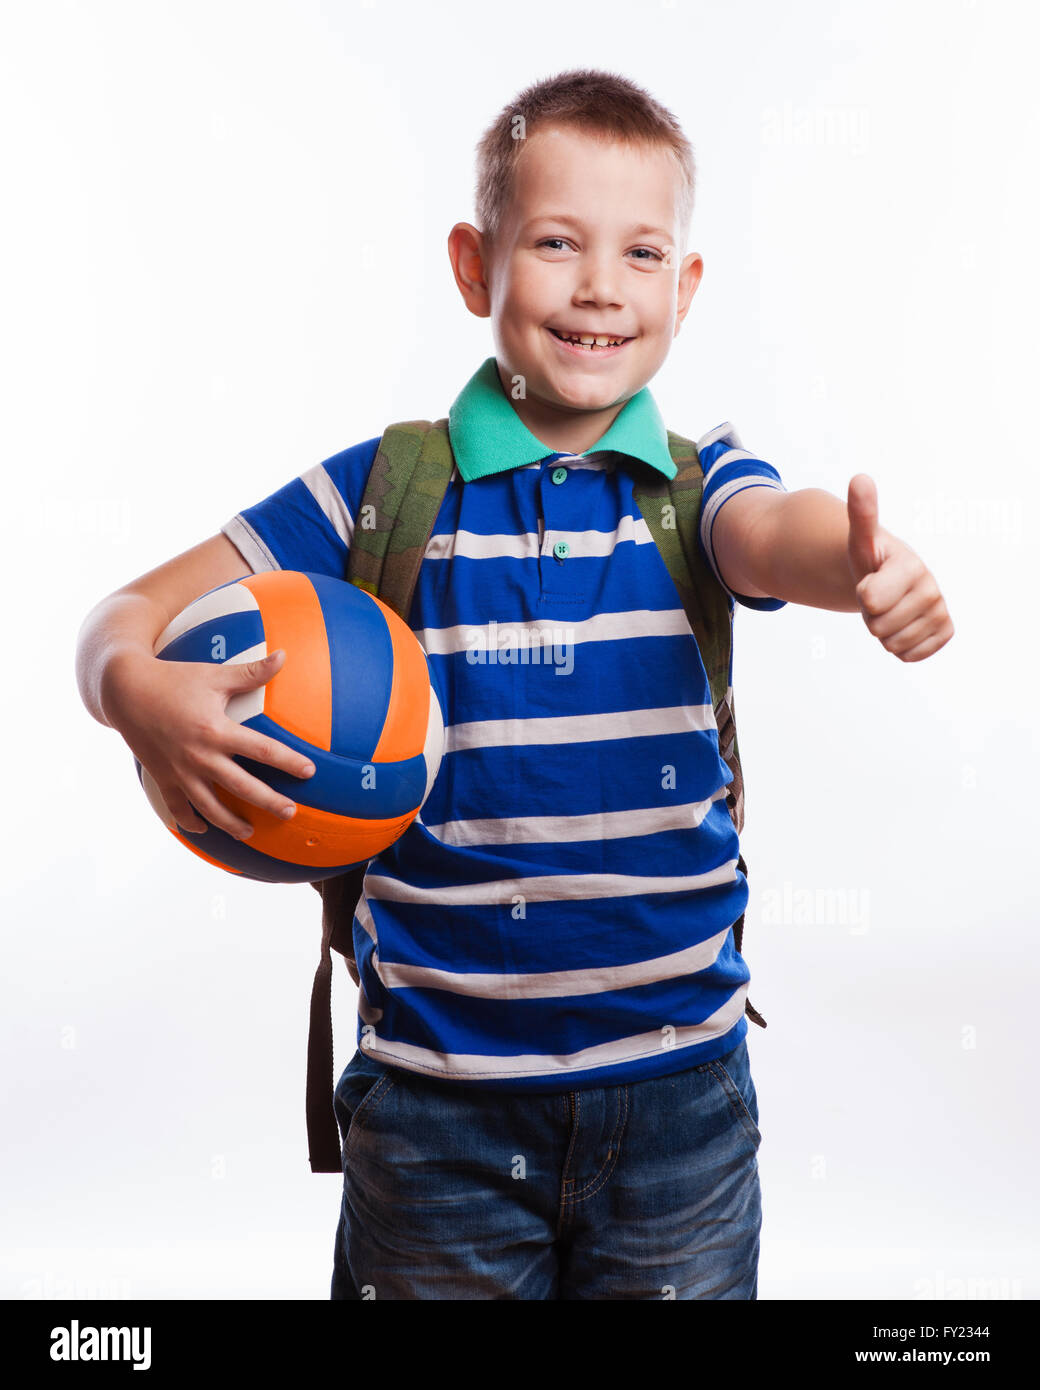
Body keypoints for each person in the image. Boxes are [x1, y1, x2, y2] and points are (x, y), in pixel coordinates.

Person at [75, 68, 953, 1300]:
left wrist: (857, 566)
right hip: (437, 1111)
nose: (600, 284)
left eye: (642, 252)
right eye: (554, 242)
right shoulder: (382, 490)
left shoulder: (695, 491)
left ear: (684, 290)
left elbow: (773, 534)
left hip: (680, 1105)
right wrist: (131, 690)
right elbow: (126, 614)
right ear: (474, 268)